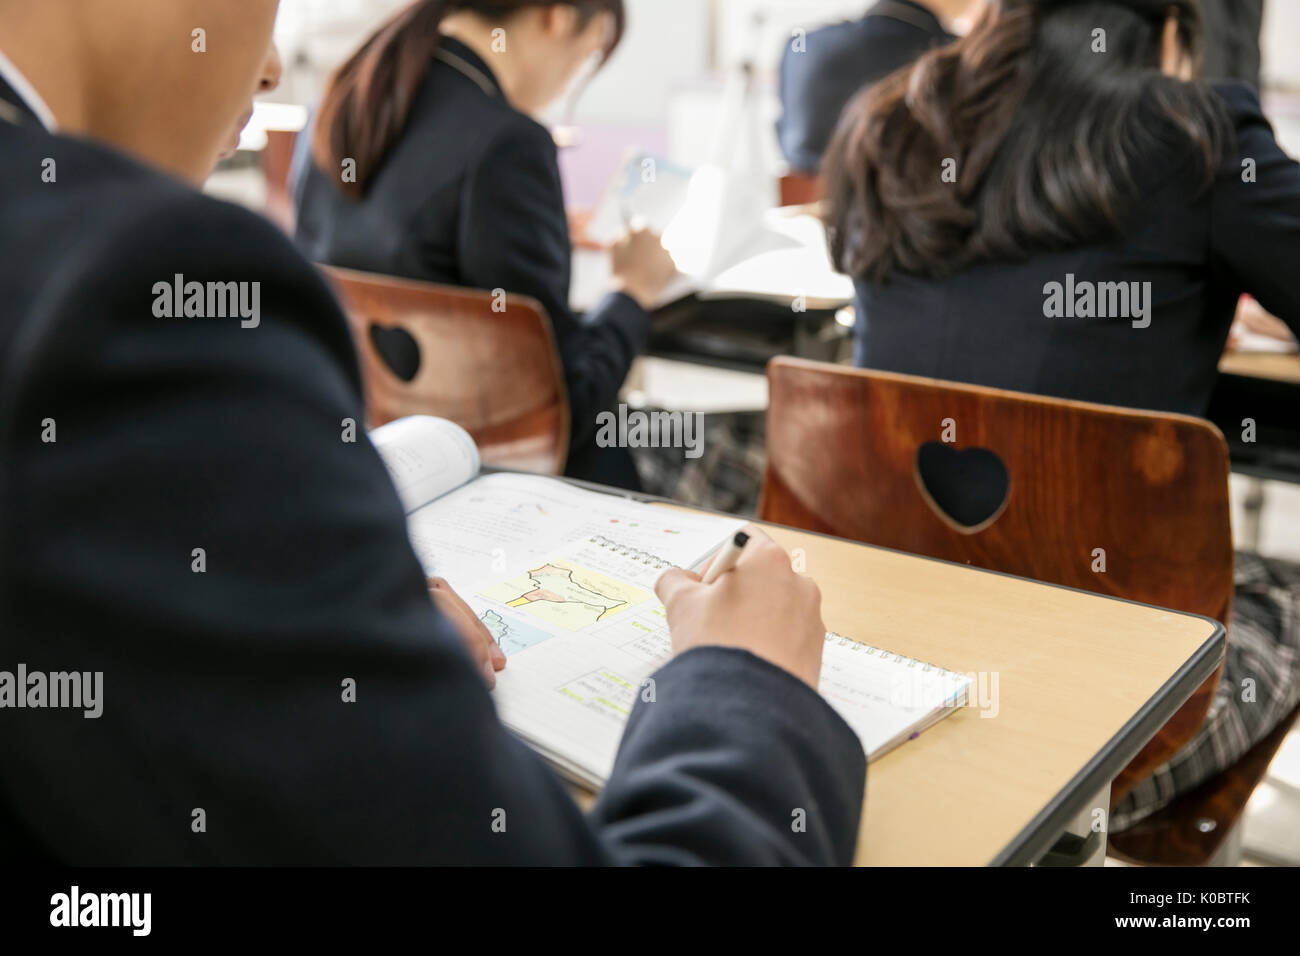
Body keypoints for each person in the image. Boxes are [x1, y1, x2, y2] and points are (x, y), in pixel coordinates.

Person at [0, 0, 865, 864]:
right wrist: (747, 683)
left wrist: (309, 588)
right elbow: (575, 398)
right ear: (560, 19)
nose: (268, 69)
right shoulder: (138, 289)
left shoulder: (348, 105)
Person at [822, 0, 1300, 828]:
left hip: (870, 663)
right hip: (1110, 718)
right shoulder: (1197, 132)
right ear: (1174, 33)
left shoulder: (889, 115)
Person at [293, 0, 676, 490]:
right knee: (691, 437)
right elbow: (566, 406)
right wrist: (632, 290)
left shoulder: (337, 107)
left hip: (378, 466)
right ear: (555, 17)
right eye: (587, 55)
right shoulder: (509, 144)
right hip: (513, 488)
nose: (570, 82)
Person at [776, 0, 982, 175]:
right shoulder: (960, 58)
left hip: (810, 214)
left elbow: (796, 152)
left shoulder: (803, 48)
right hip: (915, 212)